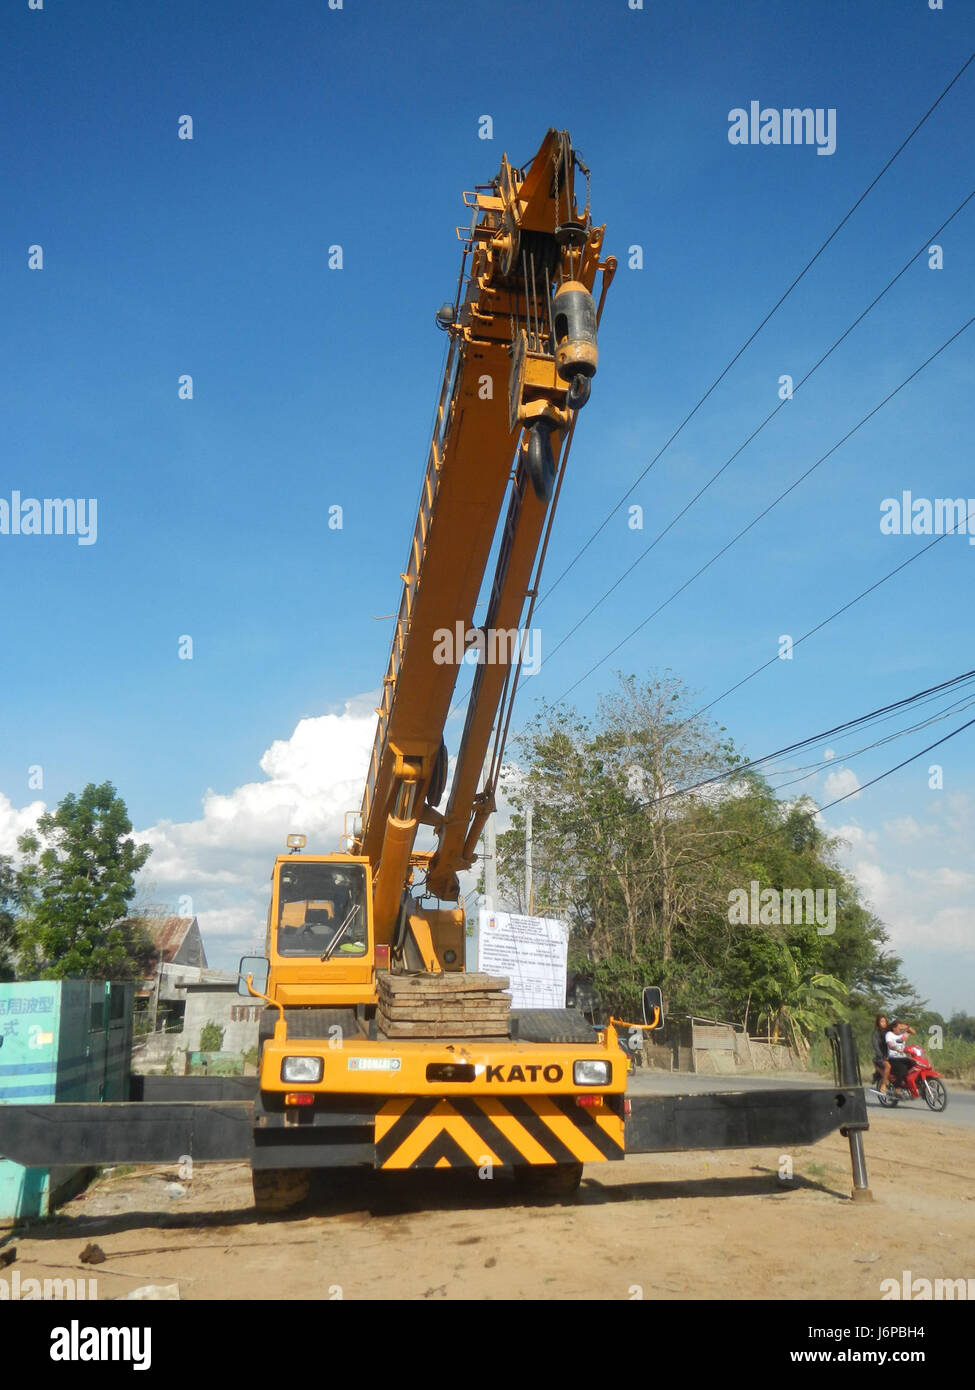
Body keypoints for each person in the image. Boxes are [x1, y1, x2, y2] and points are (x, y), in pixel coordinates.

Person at [885, 1019, 916, 1089]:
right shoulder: (889, 1034)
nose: (900, 1029)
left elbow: (913, 1032)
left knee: (916, 1064)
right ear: (894, 1028)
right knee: (902, 1069)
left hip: (903, 1058)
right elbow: (890, 1044)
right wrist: (896, 1048)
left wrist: (907, 1027)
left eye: (901, 1027)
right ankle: (897, 1088)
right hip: (893, 1058)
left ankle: (908, 1083)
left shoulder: (902, 1033)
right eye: (899, 1027)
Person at [872, 1013, 892, 1093]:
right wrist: (882, 1057)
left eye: (885, 1021)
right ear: (878, 1023)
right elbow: (876, 1046)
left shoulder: (889, 1032)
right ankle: (883, 1084)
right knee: (888, 1066)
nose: (884, 1023)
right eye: (881, 1021)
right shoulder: (876, 1034)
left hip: (891, 1056)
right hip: (881, 1057)